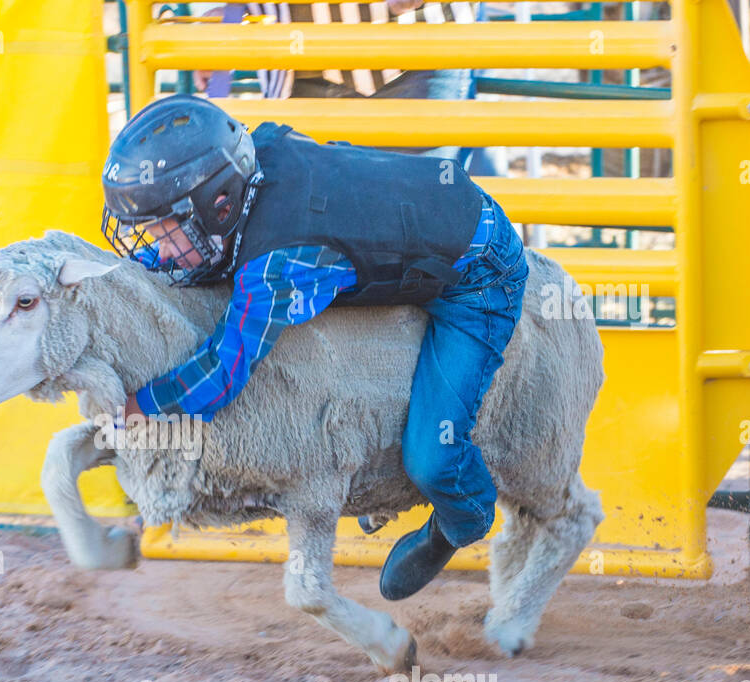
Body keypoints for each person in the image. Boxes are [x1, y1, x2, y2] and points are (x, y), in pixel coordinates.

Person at [101, 94, 528, 600]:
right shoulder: (253, 155)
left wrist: (143, 405)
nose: (158, 250)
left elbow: (225, 368)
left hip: (478, 273)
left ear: (218, 207)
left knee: (432, 457)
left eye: (162, 233)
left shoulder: (280, 263)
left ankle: (462, 522)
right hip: (411, 237)